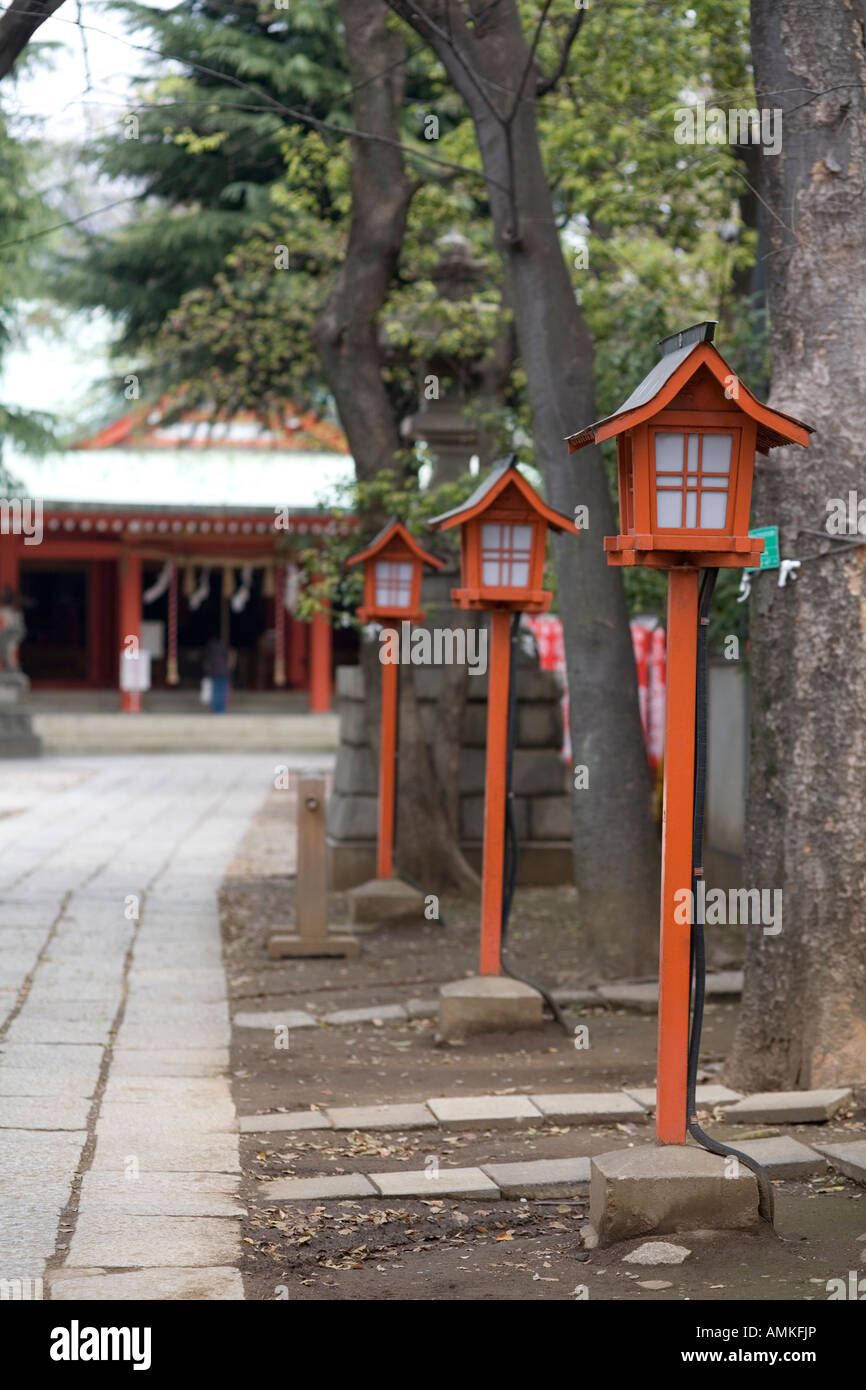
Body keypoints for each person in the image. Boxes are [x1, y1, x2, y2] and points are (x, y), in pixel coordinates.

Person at [204, 636, 232, 714]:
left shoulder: (211, 649)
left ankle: (216, 709)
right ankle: (221, 709)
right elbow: (229, 661)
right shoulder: (225, 648)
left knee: (215, 691)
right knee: (222, 691)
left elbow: (208, 663)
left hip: (215, 672)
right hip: (224, 672)